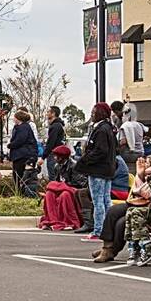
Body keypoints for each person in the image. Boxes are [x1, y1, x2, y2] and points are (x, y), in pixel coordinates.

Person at [75, 102, 117, 241]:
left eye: (93, 113)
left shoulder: (100, 130)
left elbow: (100, 151)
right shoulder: (109, 128)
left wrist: (85, 159)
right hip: (107, 169)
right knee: (106, 200)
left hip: (98, 170)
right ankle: (109, 229)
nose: (91, 115)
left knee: (98, 200)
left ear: (100, 113)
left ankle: (98, 231)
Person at [38, 145, 87, 231]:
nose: (54, 158)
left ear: (61, 157)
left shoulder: (74, 166)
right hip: (63, 188)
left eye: (56, 156)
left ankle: (69, 221)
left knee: (65, 195)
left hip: (74, 190)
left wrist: (63, 186)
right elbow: (57, 181)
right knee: (49, 194)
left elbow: (81, 183)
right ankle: (53, 220)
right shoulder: (57, 166)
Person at [8, 108, 39, 193]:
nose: (13, 118)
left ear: (18, 118)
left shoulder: (23, 127)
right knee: (17, 175)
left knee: (19, 175)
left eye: (14, 117)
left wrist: (10, 145)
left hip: (22, 155)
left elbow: (20, 140)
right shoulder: (20, 127)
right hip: (21, 154)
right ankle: (19, 192)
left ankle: (20, 193)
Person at [42, 106, 66, 175]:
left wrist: (43, 157)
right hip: (58, 153)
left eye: (48, 112)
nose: (47, 114)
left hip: (53, 153)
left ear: (53, 114)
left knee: (53, 175)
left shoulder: (55, 126)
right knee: (56, 174)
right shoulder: (59, 125)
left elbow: (51, 143)